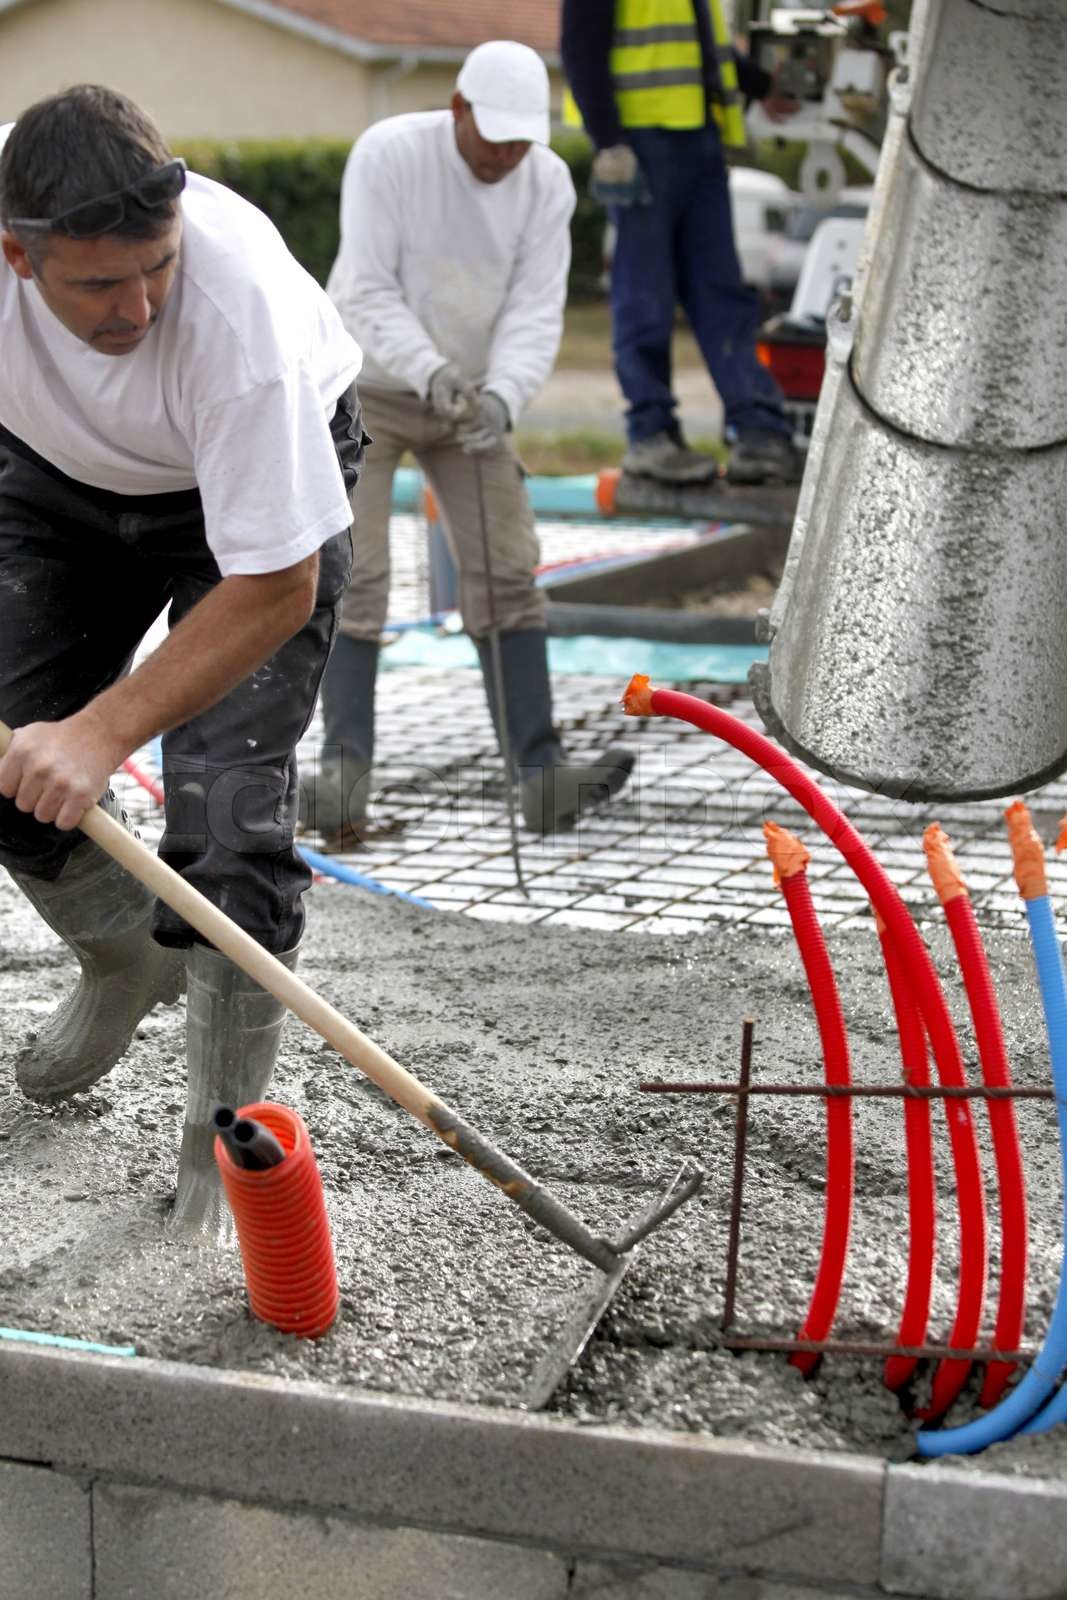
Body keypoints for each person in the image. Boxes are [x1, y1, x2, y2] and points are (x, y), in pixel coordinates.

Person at [0, 86, 366, 1234]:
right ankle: (124, 956)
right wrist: (57, 738)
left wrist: (105, 731)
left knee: (228, 827)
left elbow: (276, 587)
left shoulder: (235, 316)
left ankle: (223, 1151)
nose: (138, 305)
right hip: (57, 480)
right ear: (14, 253)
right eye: (98, 283)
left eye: (154, 266)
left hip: (245, 506)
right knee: (9, 758)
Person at [318, 39, 634, 853]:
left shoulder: (544, 183)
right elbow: (364, 287)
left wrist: (501, 396)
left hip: (470, 399)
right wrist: (432, 372)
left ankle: (541, 779)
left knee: (506, 571)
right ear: (457, 109)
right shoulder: (391, 154)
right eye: (491, 135)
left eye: (519, 140)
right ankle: (340, 782)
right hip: (365, 384)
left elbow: (535, 308)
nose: (503, 155)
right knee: (355, 574)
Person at [561, 0, 803, 487]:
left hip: (697, 139)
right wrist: (609, 142)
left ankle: (759, 432)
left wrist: (759, 84)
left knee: (723, 295)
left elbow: (704, 48)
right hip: (641, 142)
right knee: (645, 297)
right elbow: (580, 50)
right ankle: (651, 435)